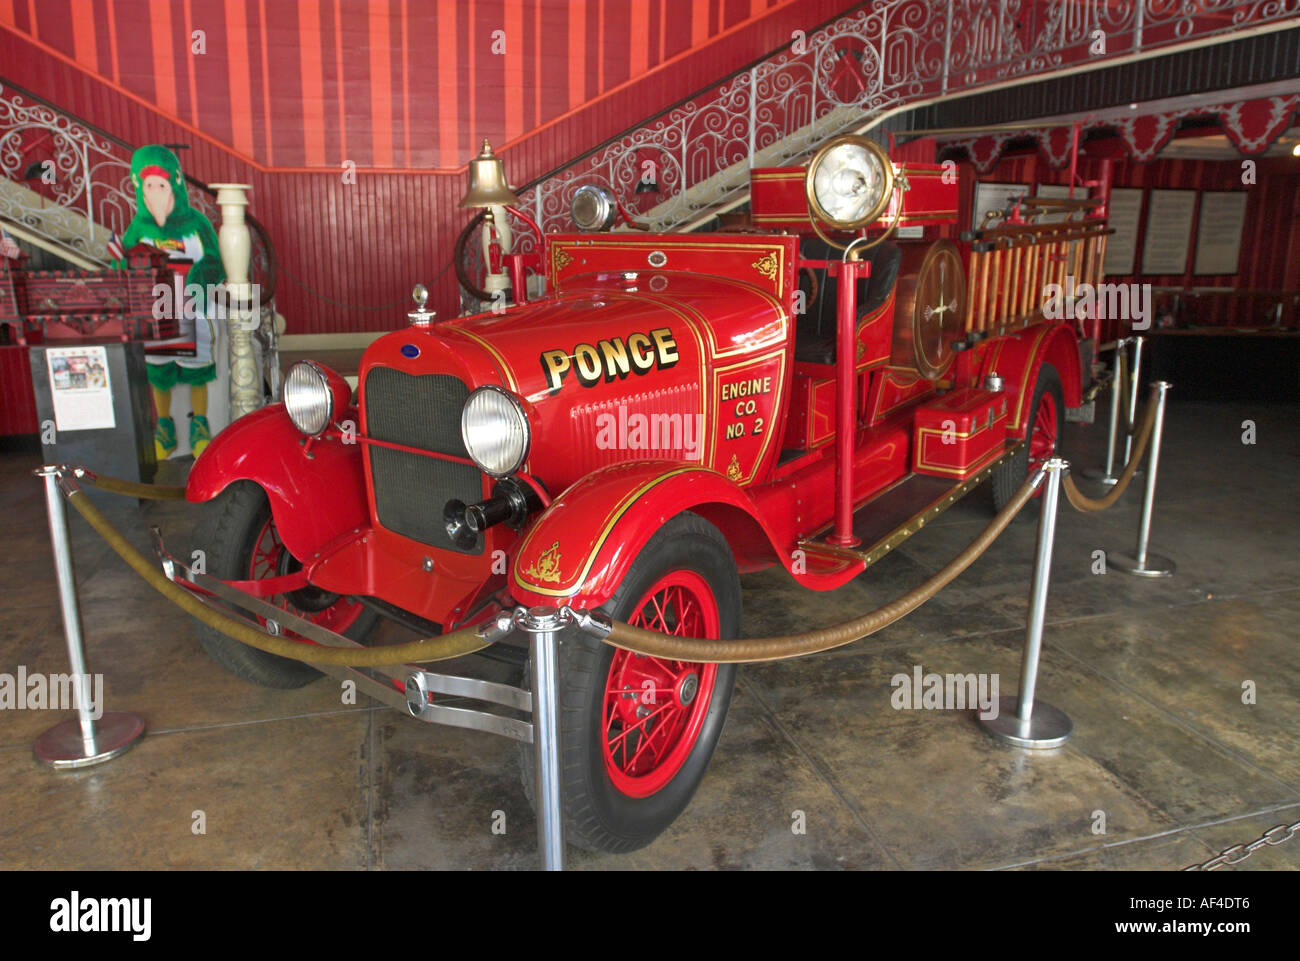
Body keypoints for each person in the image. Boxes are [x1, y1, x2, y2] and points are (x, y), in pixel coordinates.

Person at [115, 145, 224, 458]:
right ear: (139, 186)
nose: (156, 191)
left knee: (197, 366)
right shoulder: (137, 229)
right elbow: (124, 264)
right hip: (156, 310)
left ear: (175, 182)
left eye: (161, 184)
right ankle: (165, 426)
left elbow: (215, 261)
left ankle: (200, 422)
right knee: (158, 367)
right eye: (148, 185)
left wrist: (197, 279)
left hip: (193, 307)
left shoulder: (197, 223)